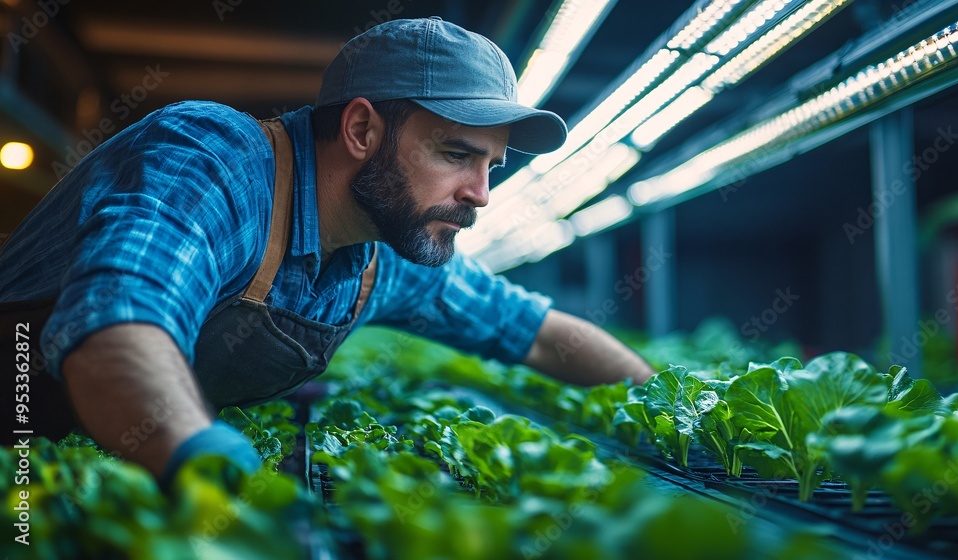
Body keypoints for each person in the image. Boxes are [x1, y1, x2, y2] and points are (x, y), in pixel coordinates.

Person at [0, 17, 654, 483]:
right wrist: (197, 457)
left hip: (102, 480)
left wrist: (669, 414)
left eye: (492, 166)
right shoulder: (212, 161)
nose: (480, 194)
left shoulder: (382, 258)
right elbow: (118, 324)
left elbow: (537, 335)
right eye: (456, 154)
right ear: (362, 129)